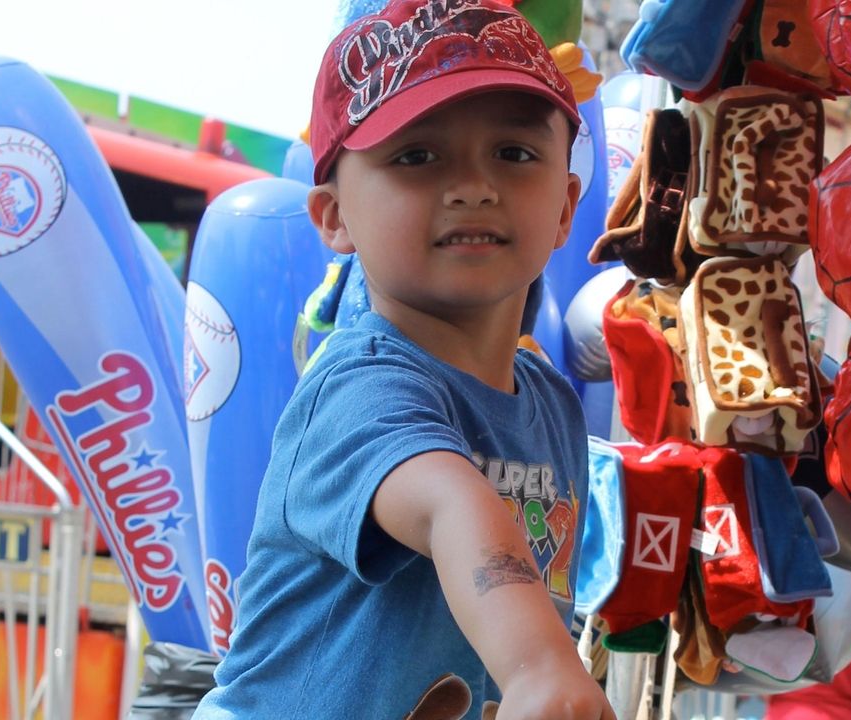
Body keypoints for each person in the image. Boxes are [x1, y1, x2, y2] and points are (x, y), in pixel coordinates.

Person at [193, 1, 614, 718]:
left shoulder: (551, 407)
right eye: (416, 156)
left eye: (514, 153)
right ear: (333, 217)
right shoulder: (361, 387)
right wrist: (543, 667)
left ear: (567, 205)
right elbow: (452, 505)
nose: (474, 185)